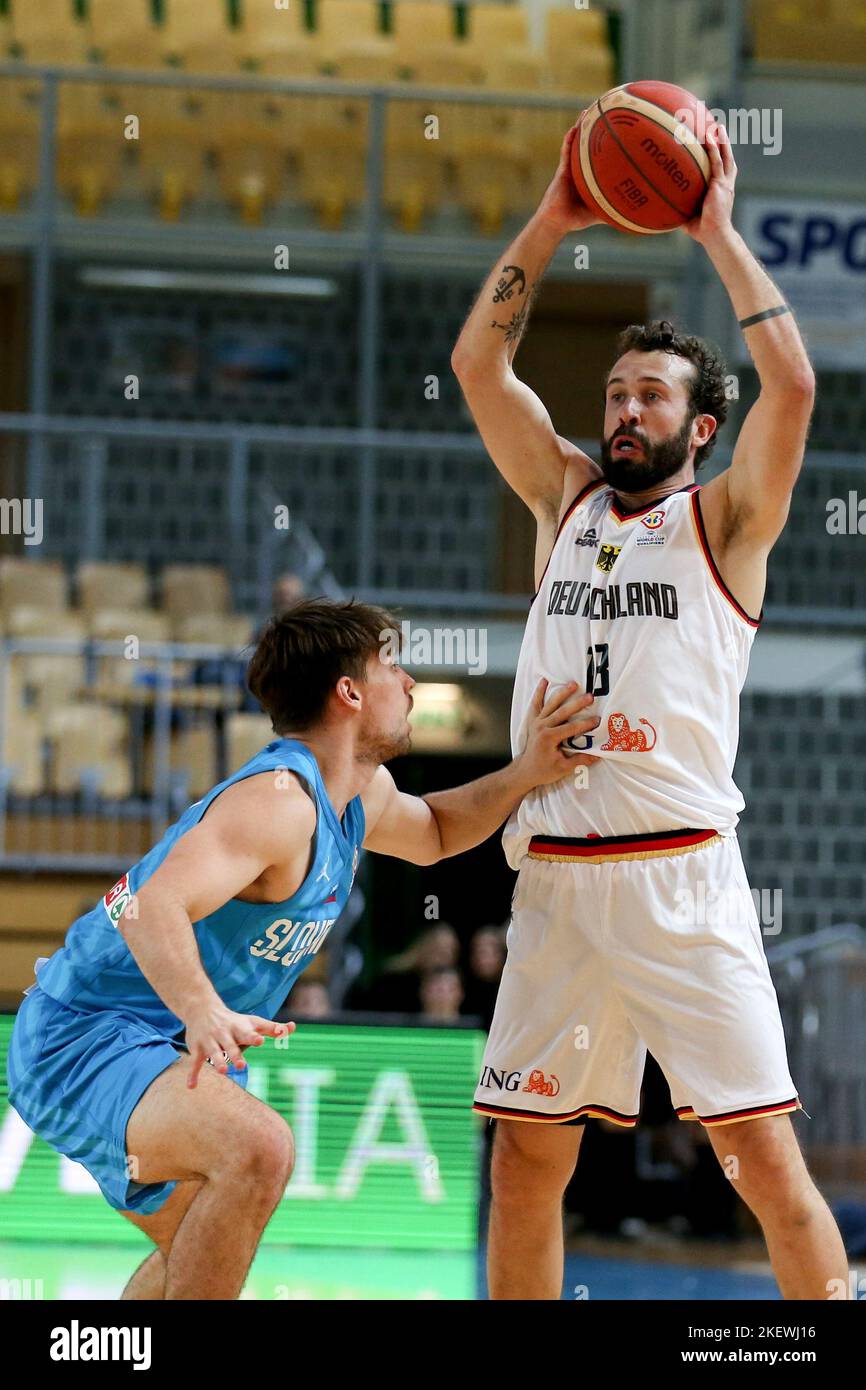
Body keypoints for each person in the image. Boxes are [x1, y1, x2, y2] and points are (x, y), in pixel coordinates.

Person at [451, 119, 849, 1300]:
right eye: (615, 392)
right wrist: (556, 215)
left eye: (650, 397)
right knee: (524, 1164)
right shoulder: (563, 495)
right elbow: (480, 367)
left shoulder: (726, 524)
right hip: (559, 882)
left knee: (762, 1163)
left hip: (681, 885)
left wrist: (713, 229)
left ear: (698, 427)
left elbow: (797, 381)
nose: (623, 411)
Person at [5, 597, 597, 1301]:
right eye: (393, 666)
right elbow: (148, 905)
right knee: (258, 1150)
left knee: (196, 1235)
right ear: (349, 692)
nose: (409, 684)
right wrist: (201, 1010)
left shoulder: (361, 794)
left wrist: (527, 770)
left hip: (162, 1045)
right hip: (89, 1033)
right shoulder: (280, 803)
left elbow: (436, 831)